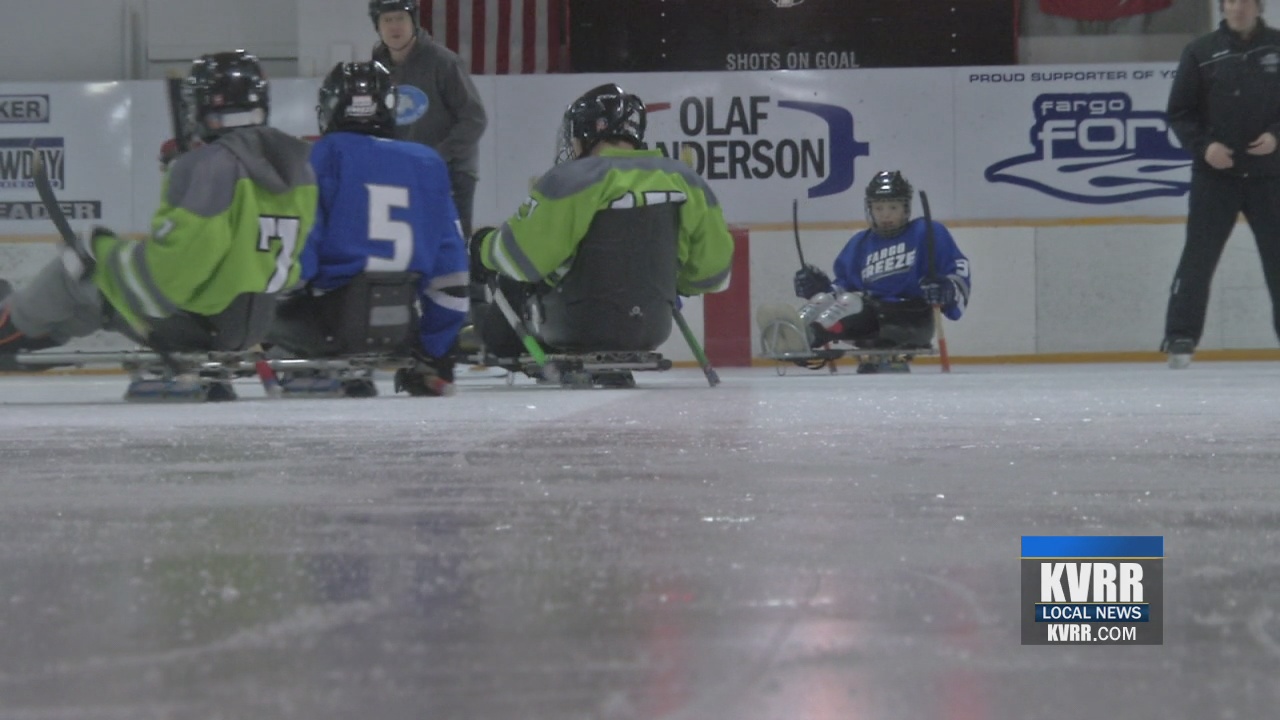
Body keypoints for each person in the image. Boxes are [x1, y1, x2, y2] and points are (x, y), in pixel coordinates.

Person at [0, 50, 317, 399]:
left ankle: (9, 329)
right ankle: (24, 342)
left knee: (71, 272)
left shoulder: (210, 166)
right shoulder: (298, 169)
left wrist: (101, 252)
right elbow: (287, 268)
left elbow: (170, 278)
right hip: (249, 322)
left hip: (195, 322)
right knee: (95, 298)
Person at [469, 82, 734, 386]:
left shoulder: (571, 179)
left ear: (587, 132)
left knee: (510, 280)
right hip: (651, 327)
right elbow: (713, 274)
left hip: (577, 323)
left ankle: (551, 363)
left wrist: (482, 248)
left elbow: (524, 258)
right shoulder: (685, 180)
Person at [267, 60, 469, 397]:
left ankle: (316, 372)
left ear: (330, 107)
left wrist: (267, 303)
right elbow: (452, 274)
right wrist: (433, 349)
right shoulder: (428, 162)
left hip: (328, 324)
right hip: (401, 327)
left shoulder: (320, 156)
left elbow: (300, 255)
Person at [1162, 0, 1280, 369]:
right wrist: (1205, 146)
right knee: (1198, 258)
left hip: (1270, 176)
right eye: (1230, 2)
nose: (1237, 8)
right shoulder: (1200, 51)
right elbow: (1180, 112)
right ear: (1222, 7)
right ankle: (1181, 336)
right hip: (1216, 176)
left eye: (1245, 2)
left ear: (1258, 7)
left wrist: (1277, 136)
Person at [781, 170, 970, 373]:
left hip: (913, 318)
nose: (885, 214)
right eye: (878, 208)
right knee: (824, 298)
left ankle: (811, 335)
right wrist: (822, 289)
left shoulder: (926, 232)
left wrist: (947, 288)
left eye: (893, 207)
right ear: (869, 208)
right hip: (873, 317)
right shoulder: (861, 242)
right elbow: (844, 283)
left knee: (849, 302)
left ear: (906, 209)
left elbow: (958, 270)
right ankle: (792, 328)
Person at [369, 0, 487, 242]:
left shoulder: (443, 62)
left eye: (400, 18)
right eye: (387, 20)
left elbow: (474, 119)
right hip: (404, 172)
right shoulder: (376, 69)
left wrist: (437, 156)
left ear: (413, 21)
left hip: (451, 171)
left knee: (450, 246)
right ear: (377, 27)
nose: (394, 27)